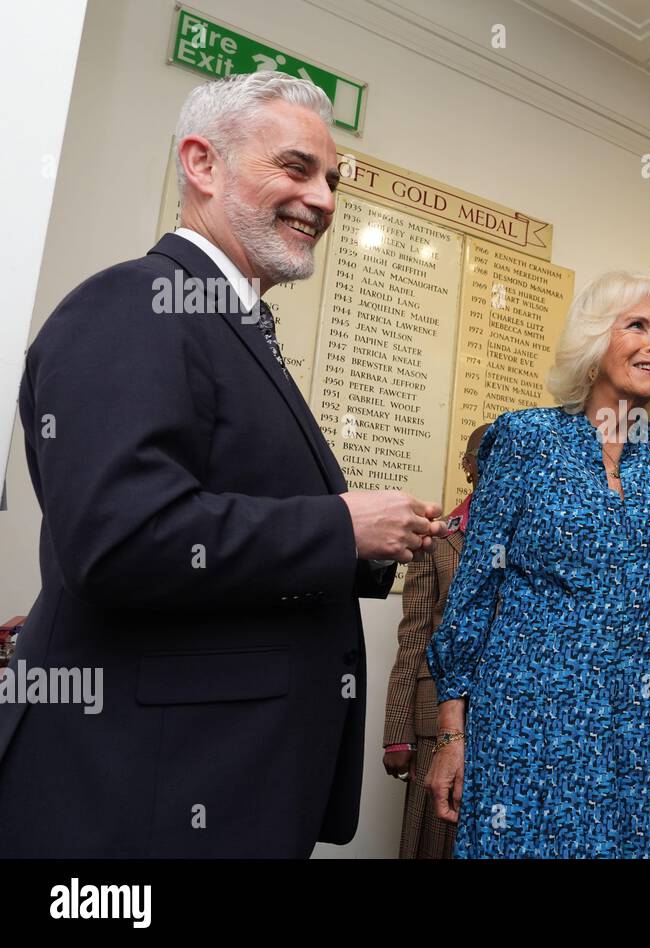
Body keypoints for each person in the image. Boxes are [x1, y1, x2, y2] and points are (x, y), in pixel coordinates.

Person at [0, 72, 444, 857]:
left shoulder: (228, 324)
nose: (326, 200)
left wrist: (374, 541)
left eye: (333, 181)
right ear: (202, 165)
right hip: (142, 796)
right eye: (298, 168)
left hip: (215, 783)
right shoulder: (135, 302)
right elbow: (120, 539)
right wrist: (342, 527)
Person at [426, 271, 650, 858]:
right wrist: (452, 733)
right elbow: (475, 590)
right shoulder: (525, 438)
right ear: (595, 340)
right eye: (637, 325)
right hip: (530, 726)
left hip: (644, 735)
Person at [383, 424, 489, 858]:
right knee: (433, 841)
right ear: (467, 465)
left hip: (510, 718)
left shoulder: (533, 538)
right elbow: (413, 636)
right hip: (435, 722)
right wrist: (396, 734)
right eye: (485, 453)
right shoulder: (436, 537)